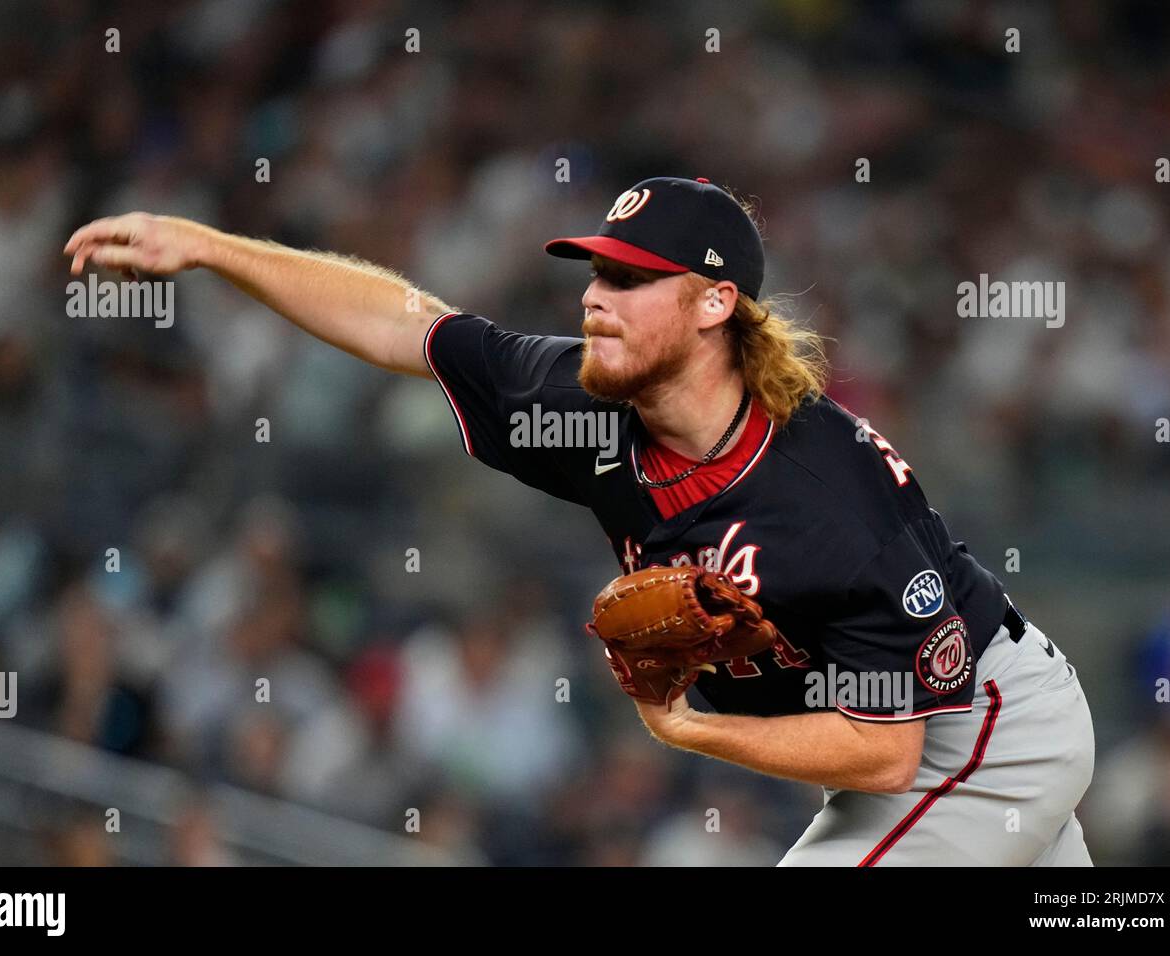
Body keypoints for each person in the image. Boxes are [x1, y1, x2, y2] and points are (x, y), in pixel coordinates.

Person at [64, 175, 1095, 865]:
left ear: (712, 305)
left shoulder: (825, 496)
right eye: (596, 269)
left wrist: (689, 724)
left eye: (632, 279)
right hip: (917, 729)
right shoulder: (579, 404)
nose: (595, 296)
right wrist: (205, 246)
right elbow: (404, 323)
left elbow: (885, 752)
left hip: (977, 727)